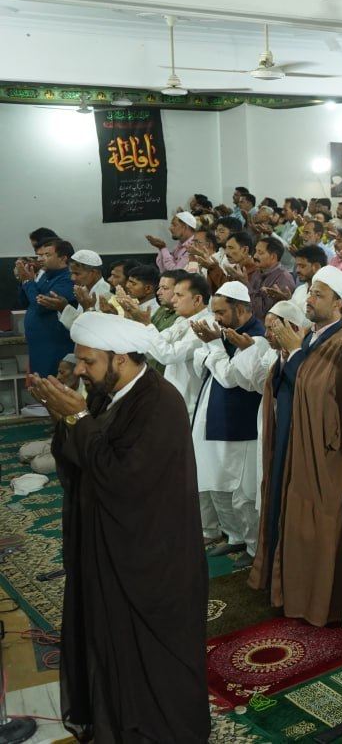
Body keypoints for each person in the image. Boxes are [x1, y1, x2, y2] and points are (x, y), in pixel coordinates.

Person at [33, 312, 208, 742]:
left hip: (152, 558)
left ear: (123, 359)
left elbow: (124, 478)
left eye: (88, 362)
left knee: (151, 656)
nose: (79, 371)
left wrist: (75, 421)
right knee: (110, 644)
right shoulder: (106, 395)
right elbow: (81, 459)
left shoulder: (159, 402)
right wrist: (65, 417)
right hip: (112, 545)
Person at [248, 265, 342, 626]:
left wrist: (296, 354)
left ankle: (315, 602)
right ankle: (284, 589)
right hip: (293, 439)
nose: (309, 299)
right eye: (310, 292)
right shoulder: (315, 337)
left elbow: (328, 401)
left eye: (318, 294)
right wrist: (291, 354)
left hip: (323, 454)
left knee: (316, 524)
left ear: (338, 305)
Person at [187, 281, 265, 557]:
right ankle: (233, 536)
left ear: (242, 309)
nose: (216, 318)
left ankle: (254, 546)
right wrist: (211, 346)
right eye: (214, 312)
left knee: (242, 494)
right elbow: (202, 367)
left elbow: (232, 379)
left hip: (240, 425)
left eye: (221, 312)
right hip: (212, 417)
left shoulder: (257, 337)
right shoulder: (222, 333)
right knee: (217, 485)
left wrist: (215, 348)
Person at [149, 272, 213, 420]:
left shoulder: (206, 324)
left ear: (197, 299)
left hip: (190, 405)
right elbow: (152, 348)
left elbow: (168, 355)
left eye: (179, 295)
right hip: (175, 400)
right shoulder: (182, 321)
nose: (173, 300)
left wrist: (146, 325)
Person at [15, 237, 75, 377]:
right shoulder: (46, 276)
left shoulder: (67, 279)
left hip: (55, 346)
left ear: (63, 258)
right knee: (41, 387)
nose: (40, 259)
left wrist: (28, 282)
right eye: (39, 255)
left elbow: (41, 306)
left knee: (53, 387)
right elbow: (25, 303)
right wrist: (22, 281)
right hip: (39, 345)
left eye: (46, 255)